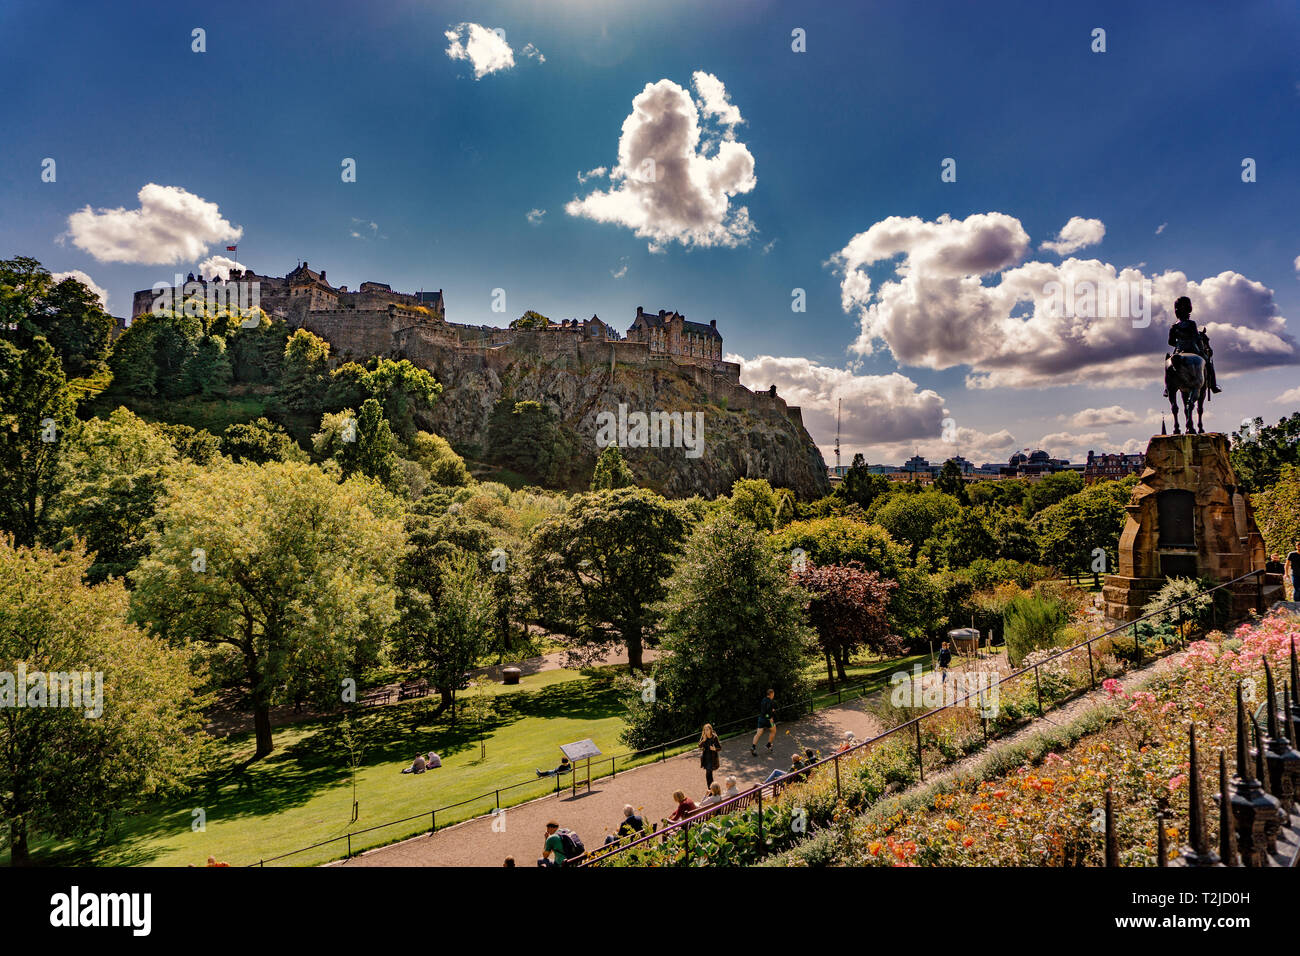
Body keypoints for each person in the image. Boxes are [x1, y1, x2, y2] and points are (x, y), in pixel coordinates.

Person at [1166, 296, 1220, 393]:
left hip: (1179, 350)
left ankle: (1167, 388)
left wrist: (1179, 344)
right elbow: (1196, 337)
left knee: (1169, 365)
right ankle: (1213, 386)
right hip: (1193, 349)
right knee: (1208, 363)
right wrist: (1199, 345)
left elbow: (1170, 342)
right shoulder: (1191, 323)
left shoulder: (1174, 326)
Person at [752, 688, 777, 756]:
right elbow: (768, 710)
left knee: (758, 734)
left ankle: (753, 747)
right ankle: (768, 745)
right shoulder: (770, 701)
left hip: (761, 719)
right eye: (773, 694)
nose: (773, 696)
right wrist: (770, 717)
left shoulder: (763, 699)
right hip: (768, 720)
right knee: (773, 730)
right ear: (771, 694)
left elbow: (764, 709)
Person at [699, 723, 722, 787]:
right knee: (709, 775)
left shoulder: (714, 737)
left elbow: (720, 748)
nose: (706, 731)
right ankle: (712, 789)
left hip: (712, 759)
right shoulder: (704, 736)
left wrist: (715, 749)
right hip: (705, 758)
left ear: (710, 730)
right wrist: (703, 740)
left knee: (708, 774)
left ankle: (711, 789)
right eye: (705, 730)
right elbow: (699, 746)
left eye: (707, 730)